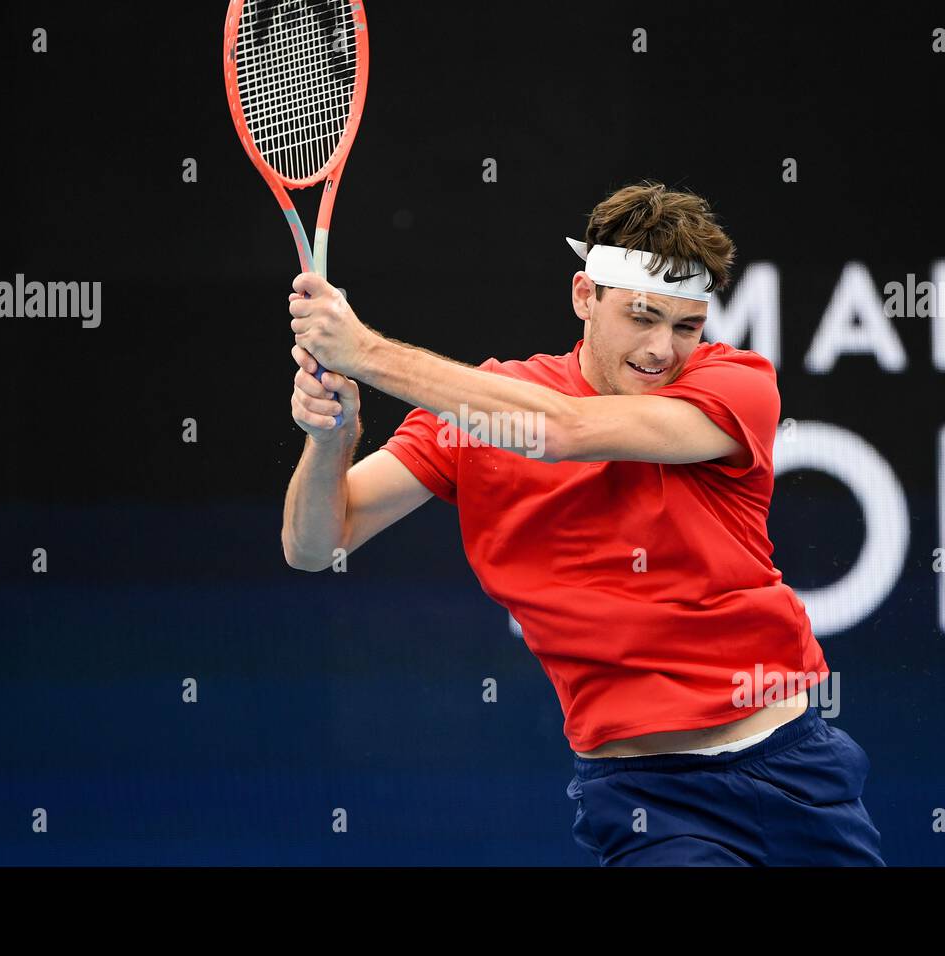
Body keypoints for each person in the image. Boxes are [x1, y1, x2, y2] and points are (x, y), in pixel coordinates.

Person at [281, 180, 884, 866]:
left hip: (796, 771)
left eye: (686, 326)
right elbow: (314, 544)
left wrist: (368, 353)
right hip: (650, 805)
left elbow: (561, 431)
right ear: (584, 297)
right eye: (642, 316)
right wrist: (332, 440)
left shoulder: (736, 384)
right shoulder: (473, 417)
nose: (663, 349)